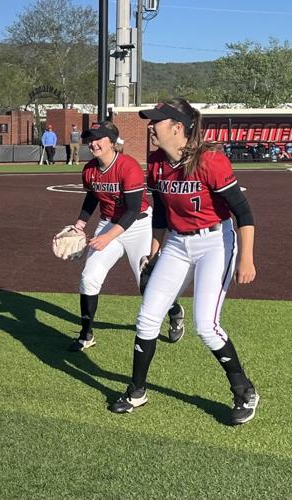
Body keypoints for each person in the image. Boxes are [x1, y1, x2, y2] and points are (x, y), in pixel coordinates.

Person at [109, 98, 260, 425]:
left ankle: (244, 389)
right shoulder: (157, 163)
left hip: (215, 242)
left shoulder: (211, 161)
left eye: (157, 122)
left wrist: (246, 258)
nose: (151, 126)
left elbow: (243, 212)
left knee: (206, 326)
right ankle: (137, 390)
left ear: (177, 128)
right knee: (147, 317)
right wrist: (153, 250)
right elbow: (161, 213)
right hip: (177, 243)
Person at [66, 121, 184, 352]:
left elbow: (131, 210)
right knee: (89, 277)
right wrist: (80, 224)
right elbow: (92, 198)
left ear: (112, 142)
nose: (93, 143)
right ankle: (86, 334)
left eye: (99, 138)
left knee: (146, 284)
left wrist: (107, 238)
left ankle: (174, 311)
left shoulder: (128, 166)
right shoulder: (89, 169)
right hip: (108, 223)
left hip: (138, 225)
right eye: (90, 139)